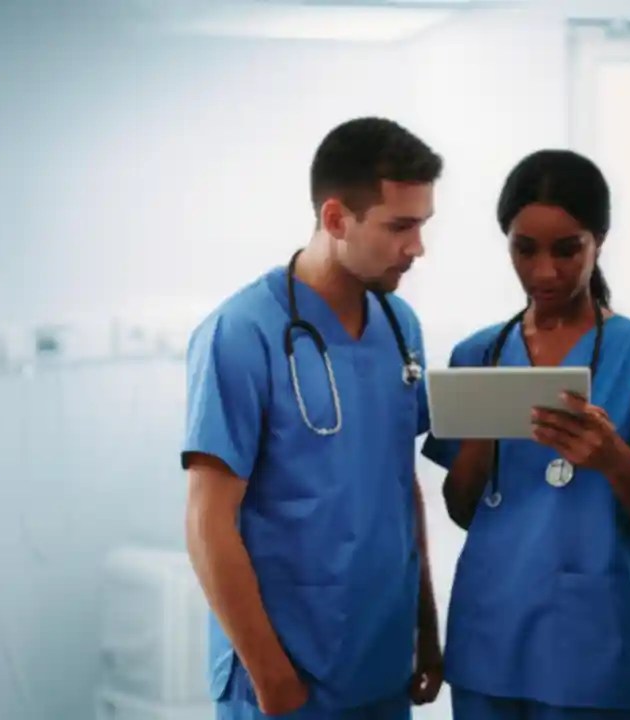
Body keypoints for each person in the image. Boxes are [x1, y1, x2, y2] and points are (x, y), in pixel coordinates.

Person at [421, 149, 630, 720]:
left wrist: (613, 460)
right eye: (524, 249)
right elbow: (462, 511)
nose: (545, 271)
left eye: (567, 249)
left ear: (598, 240)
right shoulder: (478, 355)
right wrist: (484, 433)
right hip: (488, 638)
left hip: (589, 647)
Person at [181, 117, 446, 720]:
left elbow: (399, 488)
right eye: (400, 226)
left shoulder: (400, 328)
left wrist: (424, 629)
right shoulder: (240, 334)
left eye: (423, 225)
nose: (417, 247)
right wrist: (273, 682)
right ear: (335, 219)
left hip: (380, 666)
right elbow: (207, 523)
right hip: (285, 678)